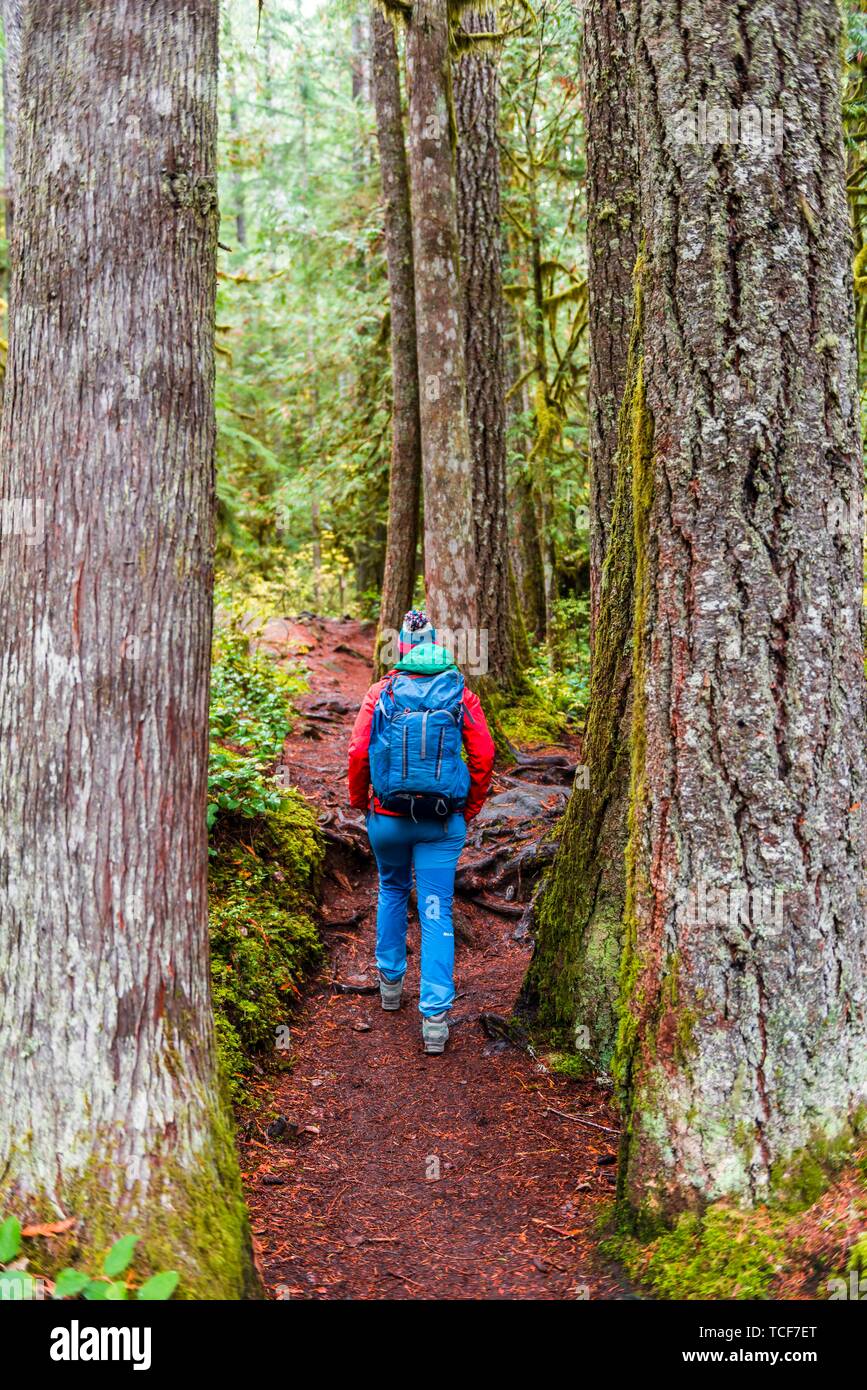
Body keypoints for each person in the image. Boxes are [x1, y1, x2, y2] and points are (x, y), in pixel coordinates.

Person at [347, 610, 495, 1053]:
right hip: (441, 823)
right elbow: (484, 757)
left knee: (392, 889)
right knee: (435, 910)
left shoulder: (382, 691)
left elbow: (357, 753)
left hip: (387, 819)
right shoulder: (461, 693)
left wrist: (361, 802)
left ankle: (390, 985)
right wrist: (467, 809)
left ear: (403, 650)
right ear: (436, 646)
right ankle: (434, 1019)